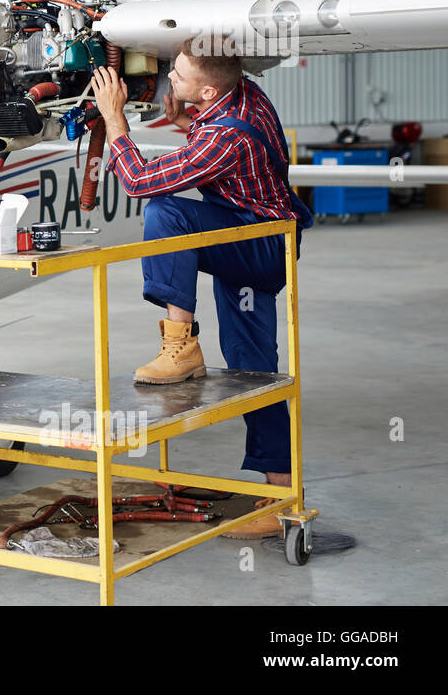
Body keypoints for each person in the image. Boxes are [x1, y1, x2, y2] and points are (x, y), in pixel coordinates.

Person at [91, 37, 312, 537]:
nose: (169, 76)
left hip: (257, 246)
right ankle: (283, 497)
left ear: (208, 90)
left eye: (179, 75)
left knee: (165, 211)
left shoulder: (225, 137)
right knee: (255, 371)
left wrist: (115, 118)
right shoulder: (242, 94)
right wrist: (185, 120)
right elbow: (213, 148)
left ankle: (179, 346)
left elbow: (141, 182)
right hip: (254, 233)